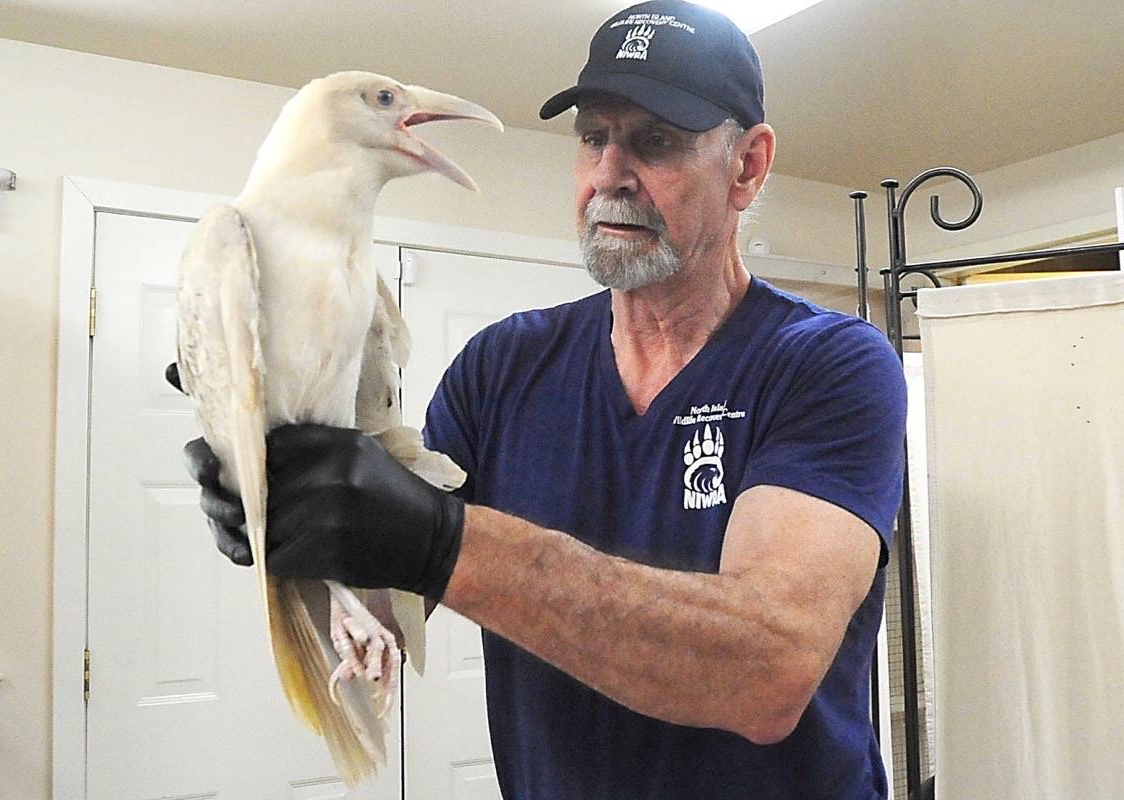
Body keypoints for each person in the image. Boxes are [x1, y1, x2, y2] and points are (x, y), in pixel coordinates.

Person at [183, 1, 907, 797]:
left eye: (655, 141)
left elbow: (764, 672)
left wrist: (437, 538)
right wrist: (298, 514)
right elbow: (390, 604)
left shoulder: (830, 364)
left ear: (747, 166)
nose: (608, 175)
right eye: (594, 138)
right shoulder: (502, 366)